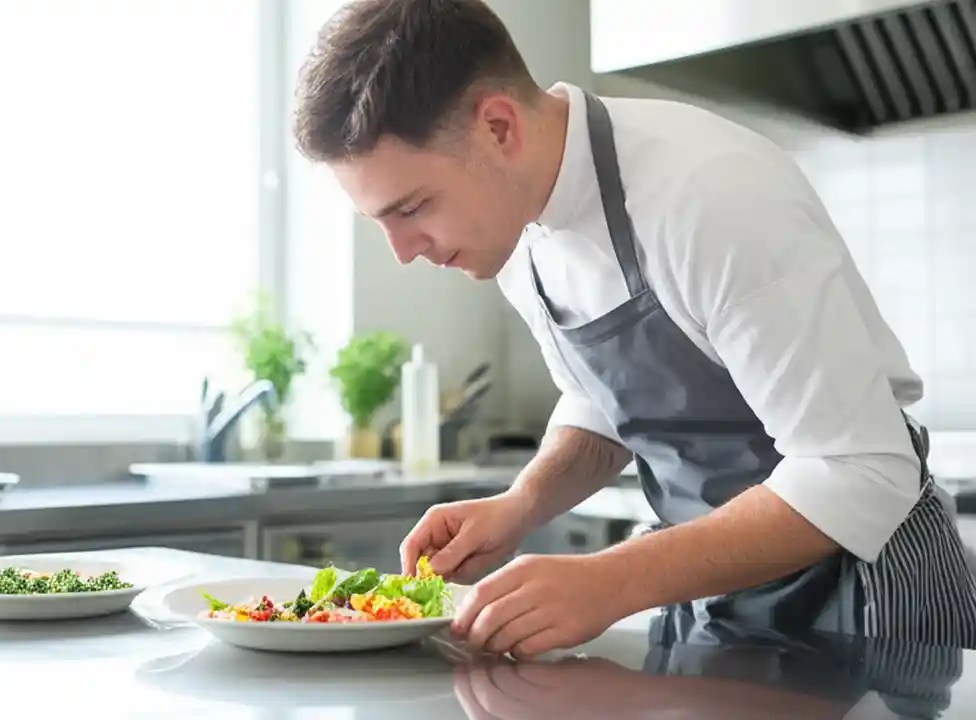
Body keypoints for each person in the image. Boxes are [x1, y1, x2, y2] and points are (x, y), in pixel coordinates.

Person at [291, 0, 976, 657]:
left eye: (412, 208)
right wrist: (522, 503)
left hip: (869, 606)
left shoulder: (709, 194)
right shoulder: (516, 235)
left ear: (499, 128)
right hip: (714, 599)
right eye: (377, 221)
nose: (404, 252)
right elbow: (607, 397)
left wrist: (613, 578)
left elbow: (857, 468)